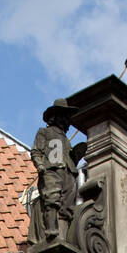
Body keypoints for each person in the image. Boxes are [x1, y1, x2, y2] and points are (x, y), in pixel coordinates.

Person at [29, 100, 85, 243]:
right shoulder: (44, 132)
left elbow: (69, 157)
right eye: (63, 115)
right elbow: (36, 151)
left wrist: (76, 155)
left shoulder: (66, 139)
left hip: (69, 174)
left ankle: (64, 235)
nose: (66, 120)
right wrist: (40, 165)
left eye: (67, 117)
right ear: (54, 116)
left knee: (67, 207)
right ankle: (52, 232)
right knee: (52, 199)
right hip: (51, 171)